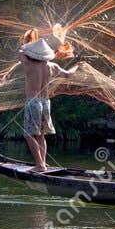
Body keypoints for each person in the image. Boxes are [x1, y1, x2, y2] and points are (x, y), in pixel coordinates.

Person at [18, 36, 81, 172]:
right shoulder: (52, 66)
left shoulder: (29, 65)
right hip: (46, 102)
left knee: (29, 135)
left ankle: (40, 165)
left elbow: (21, 51)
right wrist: (77, 66)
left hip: (33, 102)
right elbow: (68, 74)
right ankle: (43, 164)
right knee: (41, 135)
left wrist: (28, 44)